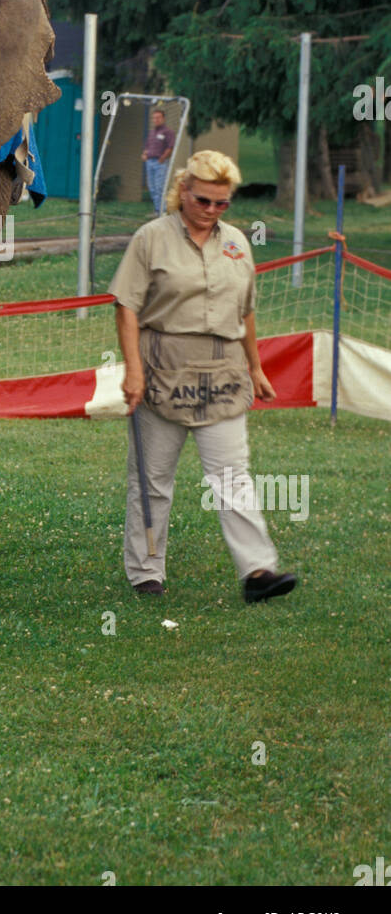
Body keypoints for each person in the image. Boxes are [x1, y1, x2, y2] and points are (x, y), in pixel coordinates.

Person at [111, 149, 297, 604]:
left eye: (221, 203)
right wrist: (134, 370)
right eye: (203, 201)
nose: (211, 211)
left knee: (233, 477)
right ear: (183, 191)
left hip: (224, 372)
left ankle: (258, 571)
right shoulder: (151, 238)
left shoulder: (237, 242)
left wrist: (255, 367)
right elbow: (126, 306)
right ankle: (146, 571)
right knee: (153, 480)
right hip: (164, 370)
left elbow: (247, 310)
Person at [141, 106, 175, 214]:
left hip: (160, 163)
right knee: (152, 188)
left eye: (158, 118)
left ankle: (163, 211)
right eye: (154, 118)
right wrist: (144, 154)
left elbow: (170, 147)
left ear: (163, 119)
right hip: (149, 162)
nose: (156, 120)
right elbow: (147, 146)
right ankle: (157, 210)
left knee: (159, 188)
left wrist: (162, 159)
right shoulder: (151, 132)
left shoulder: (168, 132)